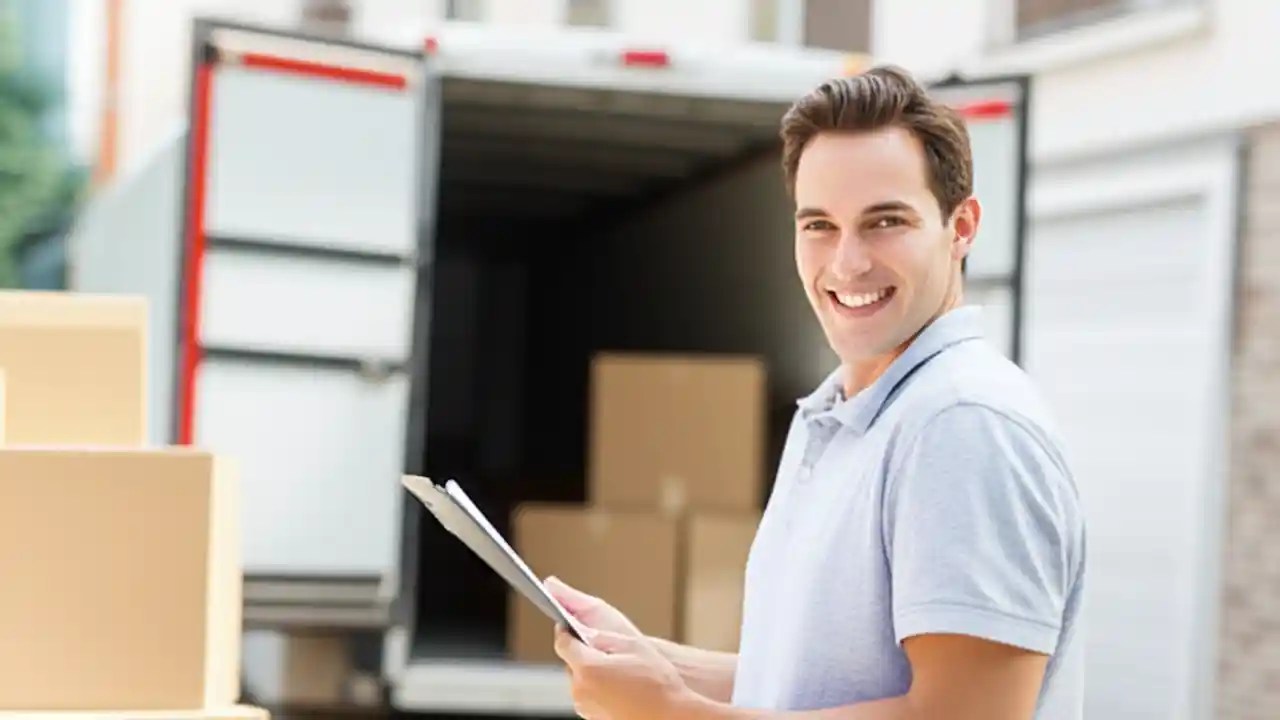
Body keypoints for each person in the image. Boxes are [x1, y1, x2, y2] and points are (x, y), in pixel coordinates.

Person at [545, 64, 1086, 720]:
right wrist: (656, 665)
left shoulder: (962, 425)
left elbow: (961, 715)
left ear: (962, 227)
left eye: (885, 221)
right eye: (819, 225)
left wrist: (672, 714)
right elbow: (810, 687)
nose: (847, 262)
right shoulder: (840, 414)